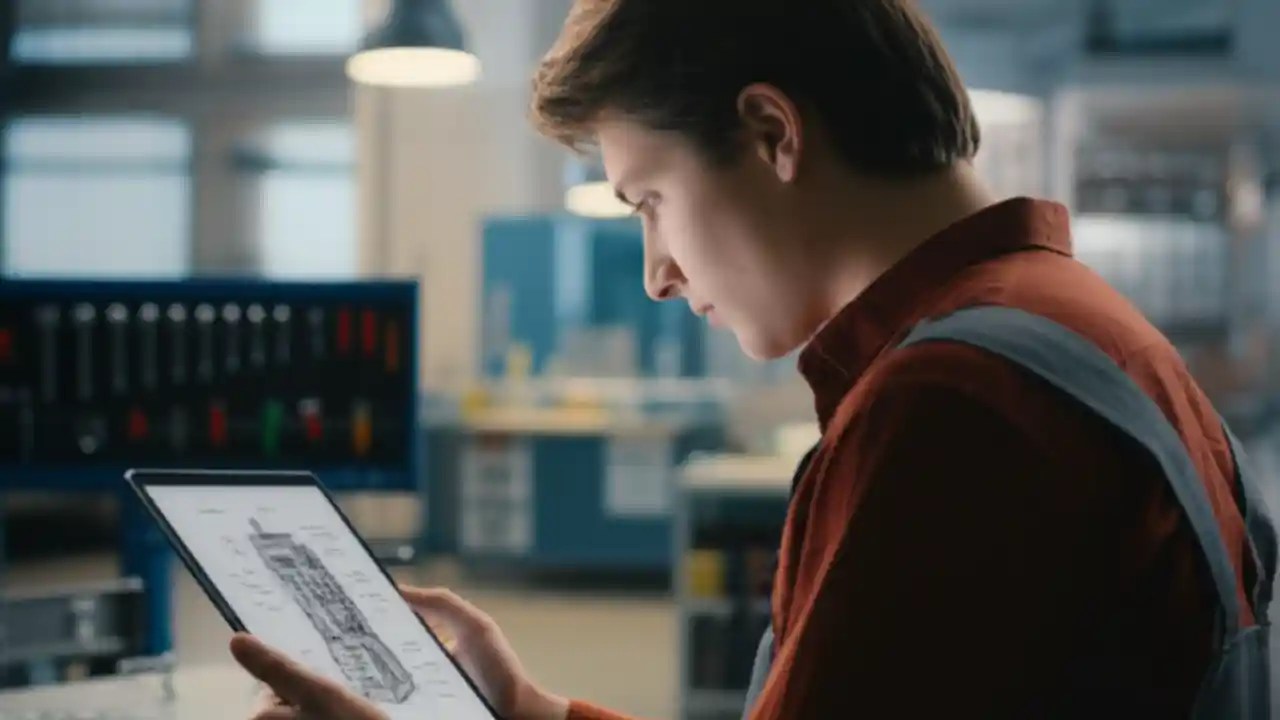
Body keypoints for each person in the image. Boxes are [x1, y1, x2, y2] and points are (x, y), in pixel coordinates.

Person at [233, 0, 1269, 718]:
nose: (654, 274)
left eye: (649, 201)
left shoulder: (957, 402)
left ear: (772, 132)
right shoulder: (1080, 331)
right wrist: (540, 715)